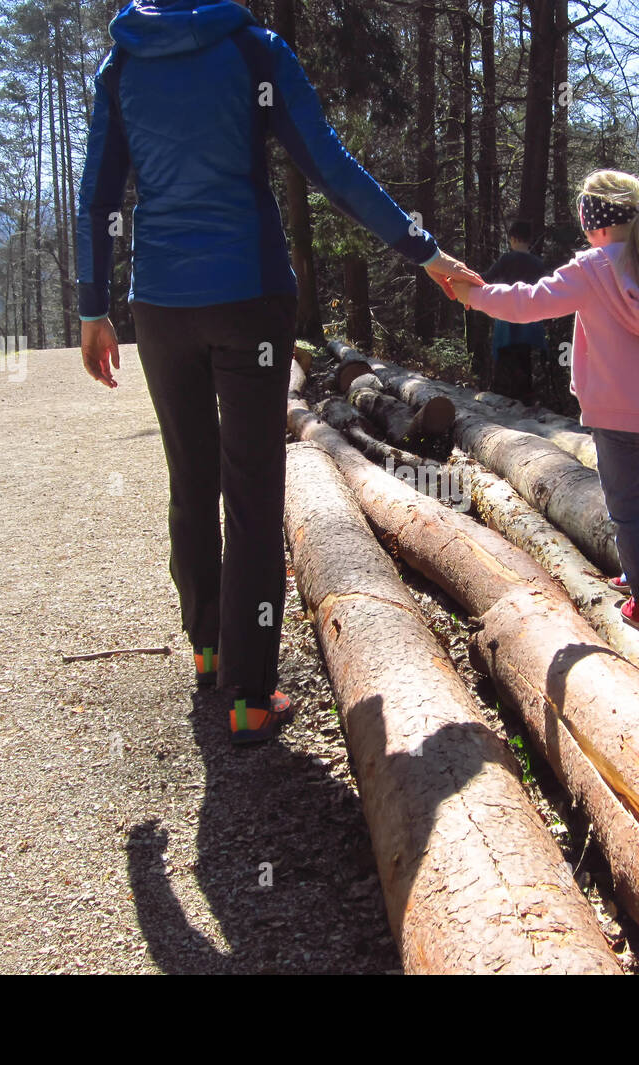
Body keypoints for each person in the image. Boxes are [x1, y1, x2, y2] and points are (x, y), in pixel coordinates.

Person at [76, 0, 481, 745]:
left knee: (190, 476)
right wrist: (424, 250)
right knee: (253, 486)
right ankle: (250, 696)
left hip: (161, 305)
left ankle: (208, 648)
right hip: (251, 293)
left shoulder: (124, 62)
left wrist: (93, 305)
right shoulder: (255, 52)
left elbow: (100, 195)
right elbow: (329, 167)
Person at [450, 169, 639, 630]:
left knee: (625, 503)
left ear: (591, 221)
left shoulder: (593, 269)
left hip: (616, 411)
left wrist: (474, 296)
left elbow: (529, 302)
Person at [481, 221, 548, 401]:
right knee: (524, 359)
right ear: (529, 239)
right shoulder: (538, 263)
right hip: (529, 318)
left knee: (504, 358)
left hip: (507, 316)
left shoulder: (506, 260)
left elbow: (486, 279)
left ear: (512, 239)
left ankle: (502, 399)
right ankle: (525, 399)